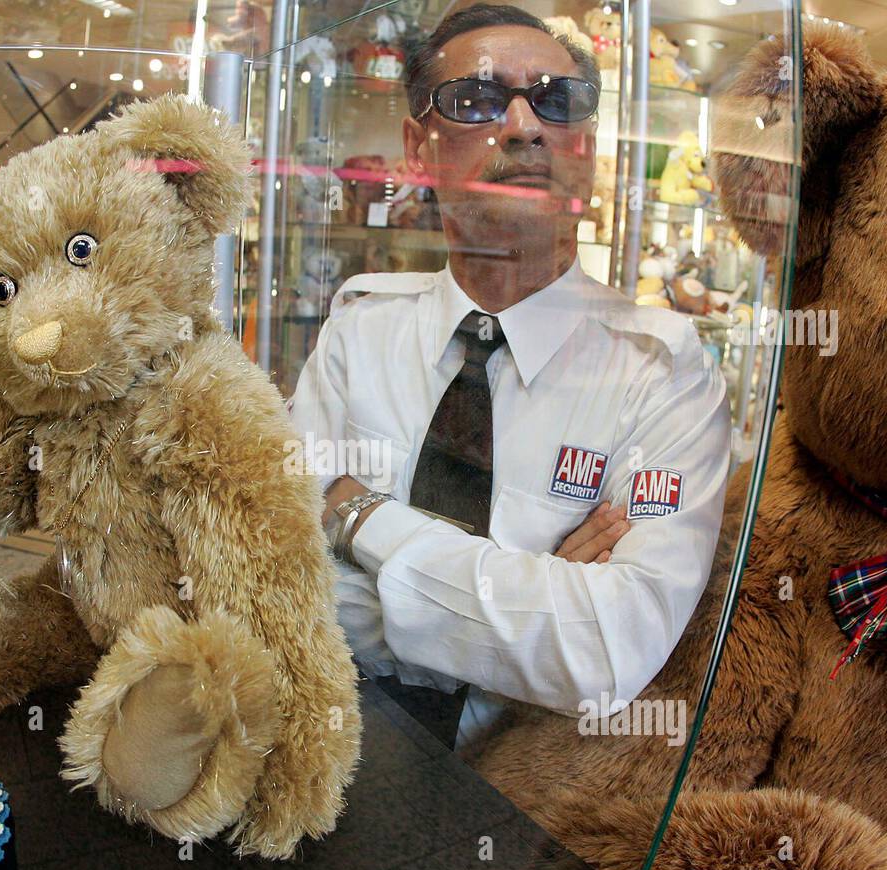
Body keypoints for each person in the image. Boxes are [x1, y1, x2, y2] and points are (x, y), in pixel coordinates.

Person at [288, 5, 731, 750]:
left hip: (526, 807)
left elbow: (601, 652)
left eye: (556, 100)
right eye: (479, 100)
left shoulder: (666, 372)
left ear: (585, 149)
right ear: (417, 148)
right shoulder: (359, 330)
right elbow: (276, 572)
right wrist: (527, 597)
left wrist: (357, 519)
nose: (525, 125)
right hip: (317, 744)